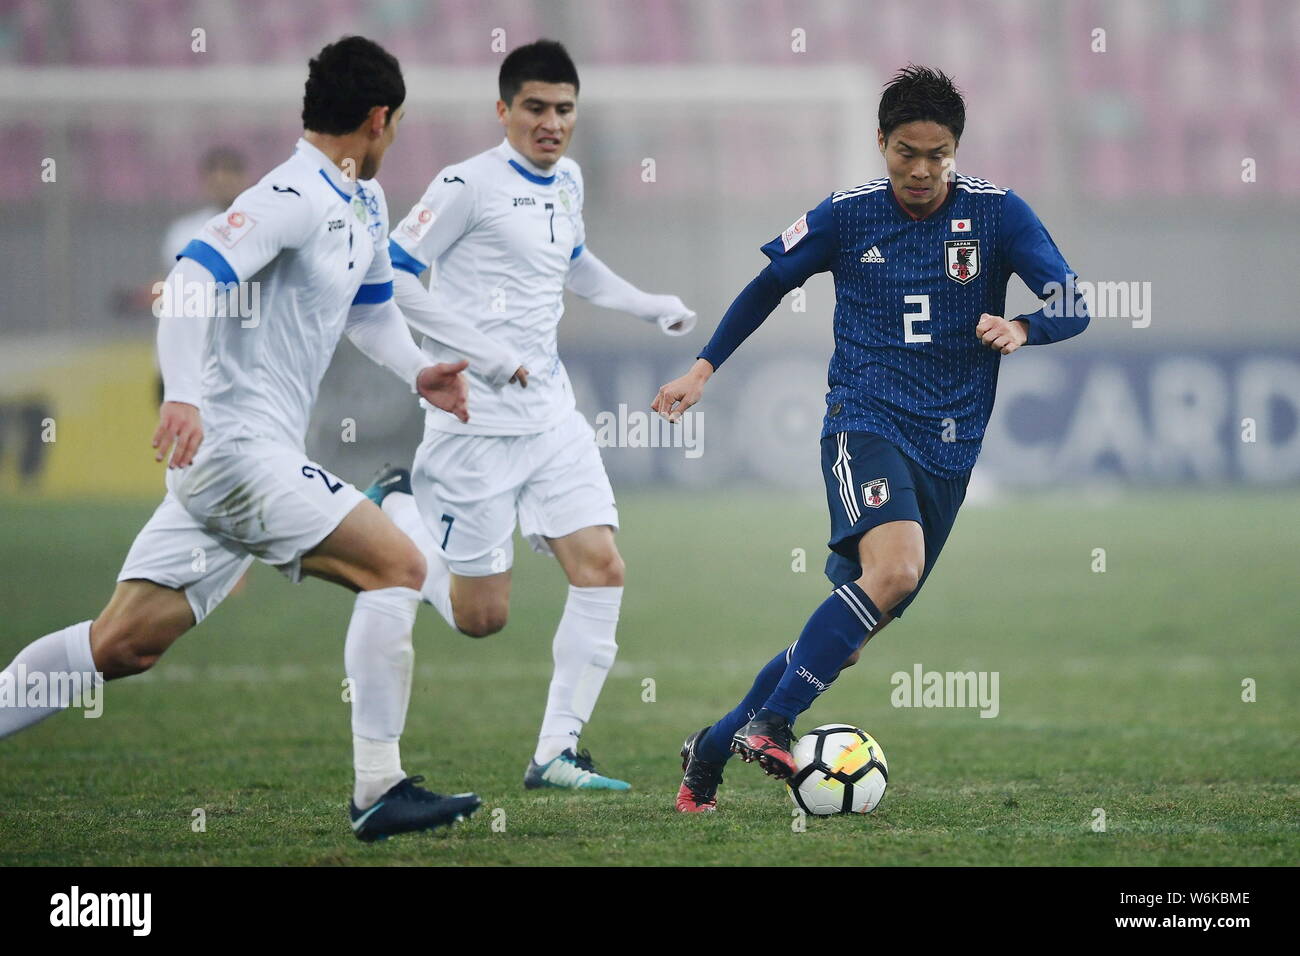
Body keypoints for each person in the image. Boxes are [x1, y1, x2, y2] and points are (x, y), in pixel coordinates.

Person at [0, 36, 513, 842]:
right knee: (400, 567)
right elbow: (194, 279)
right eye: (397, 126)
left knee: (123, 644)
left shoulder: (362, 203)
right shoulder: (291, 195)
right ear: (379, 119)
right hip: (239, 453)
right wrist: (184, 395)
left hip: (244, 462)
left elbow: (372, 309)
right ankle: (378, 789)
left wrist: (416, 371)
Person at [654, 65, 1090, 812]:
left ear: (956, 149)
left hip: (950, 445)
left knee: (846, 638)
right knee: (894, 573)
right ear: (880, 142)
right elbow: (768, 285)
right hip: (865, 419)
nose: (921, 170)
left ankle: (712, 749)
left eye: (938, 154)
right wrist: (702, 368)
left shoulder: (998, 215)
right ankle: (773, 723)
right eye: (905, 153)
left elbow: (1075, 297)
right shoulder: (847, 215)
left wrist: (1024, 324)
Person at [368, 39, 696, 791]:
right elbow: (393, 276)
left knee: (603, 567)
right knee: (481, 618)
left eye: (565, 110)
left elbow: (575, 262)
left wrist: (649, 306)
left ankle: (556, 752)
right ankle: (399, 514)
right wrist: (480, 352)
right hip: (475, 425)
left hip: (550, 416)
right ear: (504, 110)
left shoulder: (568, 179)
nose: (552, 123)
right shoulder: (465, 186)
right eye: (537, 108)